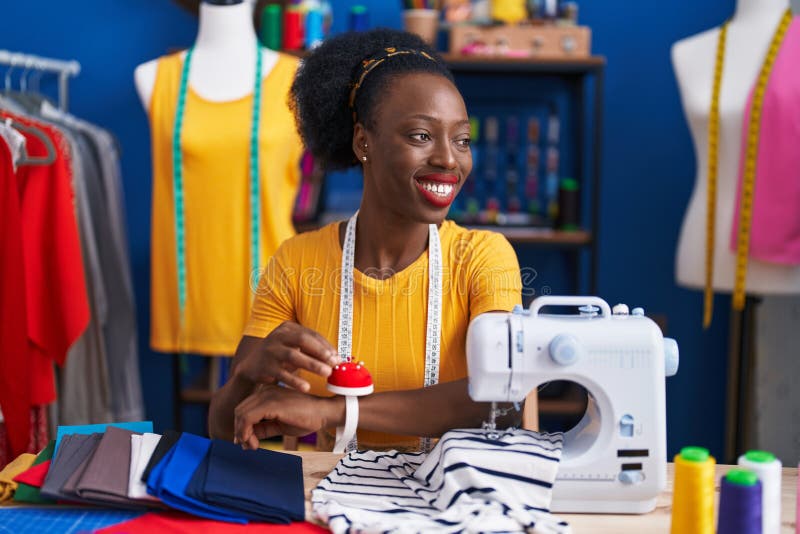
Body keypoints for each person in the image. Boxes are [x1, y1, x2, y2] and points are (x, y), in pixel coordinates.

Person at [209, 28, 523, 451]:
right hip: (326, 499)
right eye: (421, 135)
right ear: (363, 141)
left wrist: (332, 412)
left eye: (462, 139)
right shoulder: (296, 261)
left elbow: (501, 402)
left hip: (440, 504)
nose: (449, 158)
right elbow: (224, 431)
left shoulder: (483, 258)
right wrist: (248, 376)